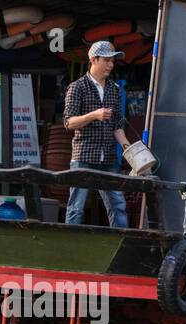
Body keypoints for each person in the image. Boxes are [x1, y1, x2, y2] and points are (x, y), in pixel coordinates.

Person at [63, 40, 131, 228]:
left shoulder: (114, 90)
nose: (111, 65)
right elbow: (68, 123)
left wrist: (129, 149)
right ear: (94, 59)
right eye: (107, 60)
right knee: (76, 207)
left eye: (113, 61)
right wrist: (94, 115)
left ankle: (122, 245)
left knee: (118, 205)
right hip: (83, 155)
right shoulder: (77, 87)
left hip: (108, 157)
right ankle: (69, 245)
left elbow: (117, 126)